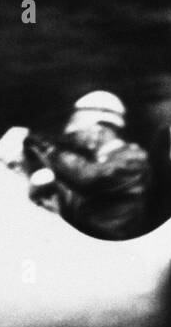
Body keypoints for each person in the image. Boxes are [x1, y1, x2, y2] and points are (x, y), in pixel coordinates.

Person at [24, 91, 152, 240]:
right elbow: (83, 198)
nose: (76, 137)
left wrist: (50, 150)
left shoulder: (133, 158)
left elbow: (90, 176)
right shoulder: (103, 160)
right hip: (89, 238)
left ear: (101, 128)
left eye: (81, 131)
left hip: (111, 243)